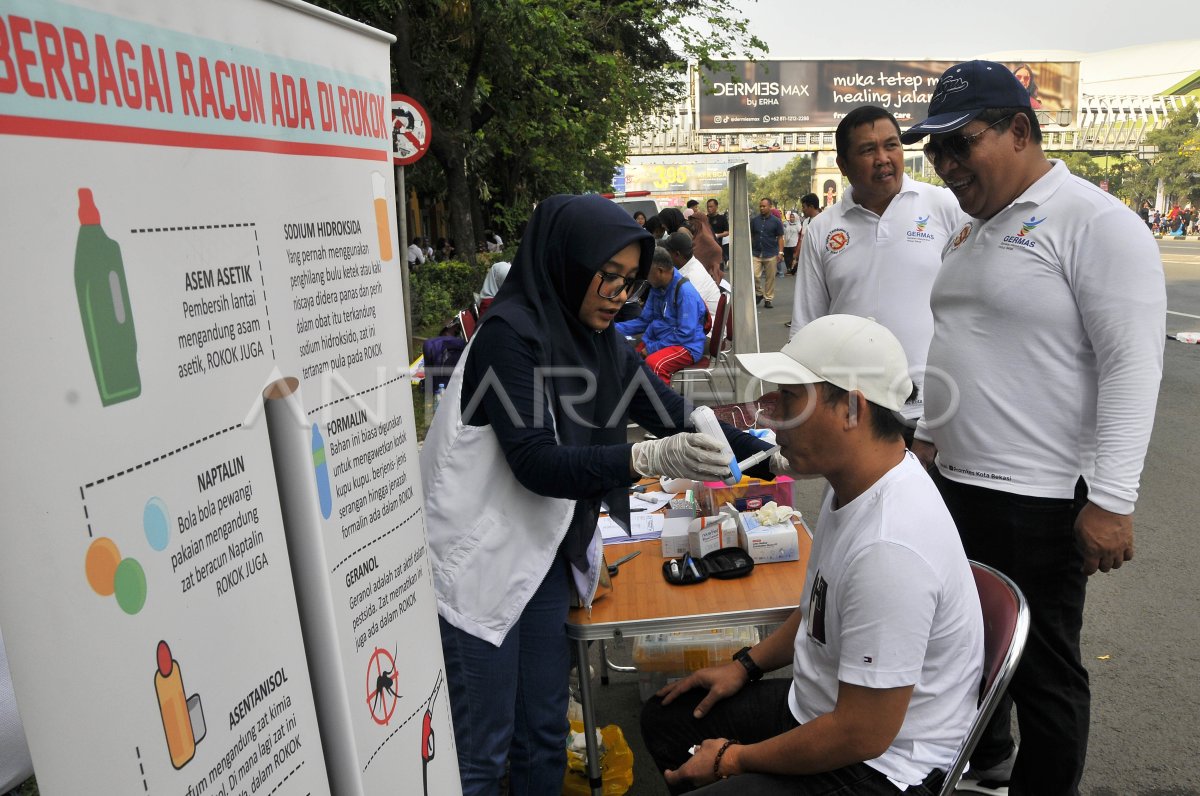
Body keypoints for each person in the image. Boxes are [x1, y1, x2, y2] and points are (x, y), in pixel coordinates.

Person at [422, 194, 774, 796]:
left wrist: (767, 456)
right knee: (482, 751)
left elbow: (672, 412)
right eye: (607, 275)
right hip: (477, 563)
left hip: (542, 558)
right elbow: (534, 460)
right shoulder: (510, 338)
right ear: (566, 262)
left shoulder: (601, 340)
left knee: (542, 732)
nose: (618, 293)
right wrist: (642, 458)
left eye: (629, 280)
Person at [901, 60, 1166, 795]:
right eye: (936, 150)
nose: (946, 164)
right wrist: (926, 439)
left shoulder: (1096, 223)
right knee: (968, 650)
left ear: (1020, 130)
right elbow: (959, 341)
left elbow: (1132, 366)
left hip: (1038, 498)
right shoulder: (970, 229)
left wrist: (1111, 500)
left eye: (962, 143)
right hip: (955, 483)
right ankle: (985, 764)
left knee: (1043, 674)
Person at [641, 314, 984, 796]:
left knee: (708, 766)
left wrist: (732, 759)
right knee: (666, 718)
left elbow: (862, 734)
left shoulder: (890, 546)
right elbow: (815, 610)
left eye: (790, 397)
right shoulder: (856, 483)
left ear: (851, 409)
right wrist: (744, 666)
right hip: (824, 709)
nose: (771, 415)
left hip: (884, 766)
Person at [791, 105, 963, 435]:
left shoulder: (944, 206)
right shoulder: (823, 228)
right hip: (855, 412)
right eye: (868, 150)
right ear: (843, 165)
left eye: (891, 145)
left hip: (935, 407)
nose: (883, 158)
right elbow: (806, 327)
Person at [616, 246, 709, 385]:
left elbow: (685, 333)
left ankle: (661, 399)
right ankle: (636, 397)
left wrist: (652, 348)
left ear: (659, 271)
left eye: (647, 273)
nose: (646, 278)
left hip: (687, 346)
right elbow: (644, 321)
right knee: (629, 360)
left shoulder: (685, 292)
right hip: (661, 339)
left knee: (654, 365)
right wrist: (613, 328)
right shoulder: (657, 288)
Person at [663, 230, 721, 319]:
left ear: (677, 254)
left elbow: (689, 313)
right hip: (701, 317)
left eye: (667, 252)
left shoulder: (692, 276)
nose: (665, 256)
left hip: (707, 322)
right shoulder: (690, 264)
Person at [750, 197, 785, 308]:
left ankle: (768, 299)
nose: (762, 208)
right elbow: (751, 236)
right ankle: (759, 293)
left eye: (764, 206)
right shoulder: (754, 221)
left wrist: (780, 252)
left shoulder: (776, 221)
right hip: (756, 253)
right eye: (760, 206)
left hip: (771, 253)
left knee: (770, 278)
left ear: (770, 207)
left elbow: (780, 237)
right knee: (754, 275)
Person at [685, 208, 726, 283]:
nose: (691, 225)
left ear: (699, 222)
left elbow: (717, 250)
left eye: (693, 223)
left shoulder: (704, 235)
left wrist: (713, 265)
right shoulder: (698, 234)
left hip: (706, 275)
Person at [706, 198, 730, 265]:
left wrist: (718, 235)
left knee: (718, 267)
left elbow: (727, 232)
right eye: (708, 207)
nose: (709, 209)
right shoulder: (705, 219)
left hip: (718, 248)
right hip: (706, 249)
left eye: (711, 207)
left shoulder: (722, 218)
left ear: (716, 207)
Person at [781, 210, 801, 277]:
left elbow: (800, 232)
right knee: (786, 258)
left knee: (793, 258)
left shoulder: (798, 224)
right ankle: (788, 269)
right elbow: (783, 231)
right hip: (786, 243)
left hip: (794, 243)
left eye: (793, 217)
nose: (791, 218)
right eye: (791, 217)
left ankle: (793, 270)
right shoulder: (786, 223)